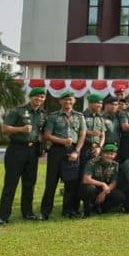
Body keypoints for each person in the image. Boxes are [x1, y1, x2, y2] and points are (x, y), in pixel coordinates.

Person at [0, 87, 47, 224]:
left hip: (33, 151)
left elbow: (43, 133)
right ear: (31, 97)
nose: (39, 99)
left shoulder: (43, 114)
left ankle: (28, 213)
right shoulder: (17, 111)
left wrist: (43, 147)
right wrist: (21, 129)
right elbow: (4, 129)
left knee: (29, 183)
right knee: (11, 183)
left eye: (42, 97)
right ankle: (3, 216)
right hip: (17, 149)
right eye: (37, 96)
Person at [40, 91, 87, 220]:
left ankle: (69, 210)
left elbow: (82, 134)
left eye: (70, 99)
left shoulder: (79, 116)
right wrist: (63, 141)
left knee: (71, 182)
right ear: (60, 101)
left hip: (73, 150)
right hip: (57, 150)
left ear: (74, 101)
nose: (68, 102)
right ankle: (45, 212)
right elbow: (47, 135)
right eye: (65, 100)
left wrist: (76, 151)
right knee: (51, 182)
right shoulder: (53, 116)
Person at [80, 143, 126, 217]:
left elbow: (114, 182)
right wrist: (102, 184)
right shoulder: (92, 162)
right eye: (107, 153)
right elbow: (85, 179)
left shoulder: (115, 165)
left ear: (115, 155)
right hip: (93, 189)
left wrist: (104, 192)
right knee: (88, 188)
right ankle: (87, 210)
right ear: (102, 153)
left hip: (105, 190)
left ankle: (101, 208)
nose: (109, 156)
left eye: (112, 154)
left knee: (120, 196)